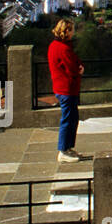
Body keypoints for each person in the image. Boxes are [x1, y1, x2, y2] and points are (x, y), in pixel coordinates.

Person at [48, 19, 86, 163]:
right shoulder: (62, 48)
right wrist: (79, 69)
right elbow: (71, 67)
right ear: (66, 31)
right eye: (72, 30)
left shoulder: (56, 46)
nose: (73, 33)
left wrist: (78, 66)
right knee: (68, 119)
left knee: (72, 118)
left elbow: (73, 61)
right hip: (66, 89)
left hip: (64, 88)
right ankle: (63, 150)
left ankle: (68, 148)